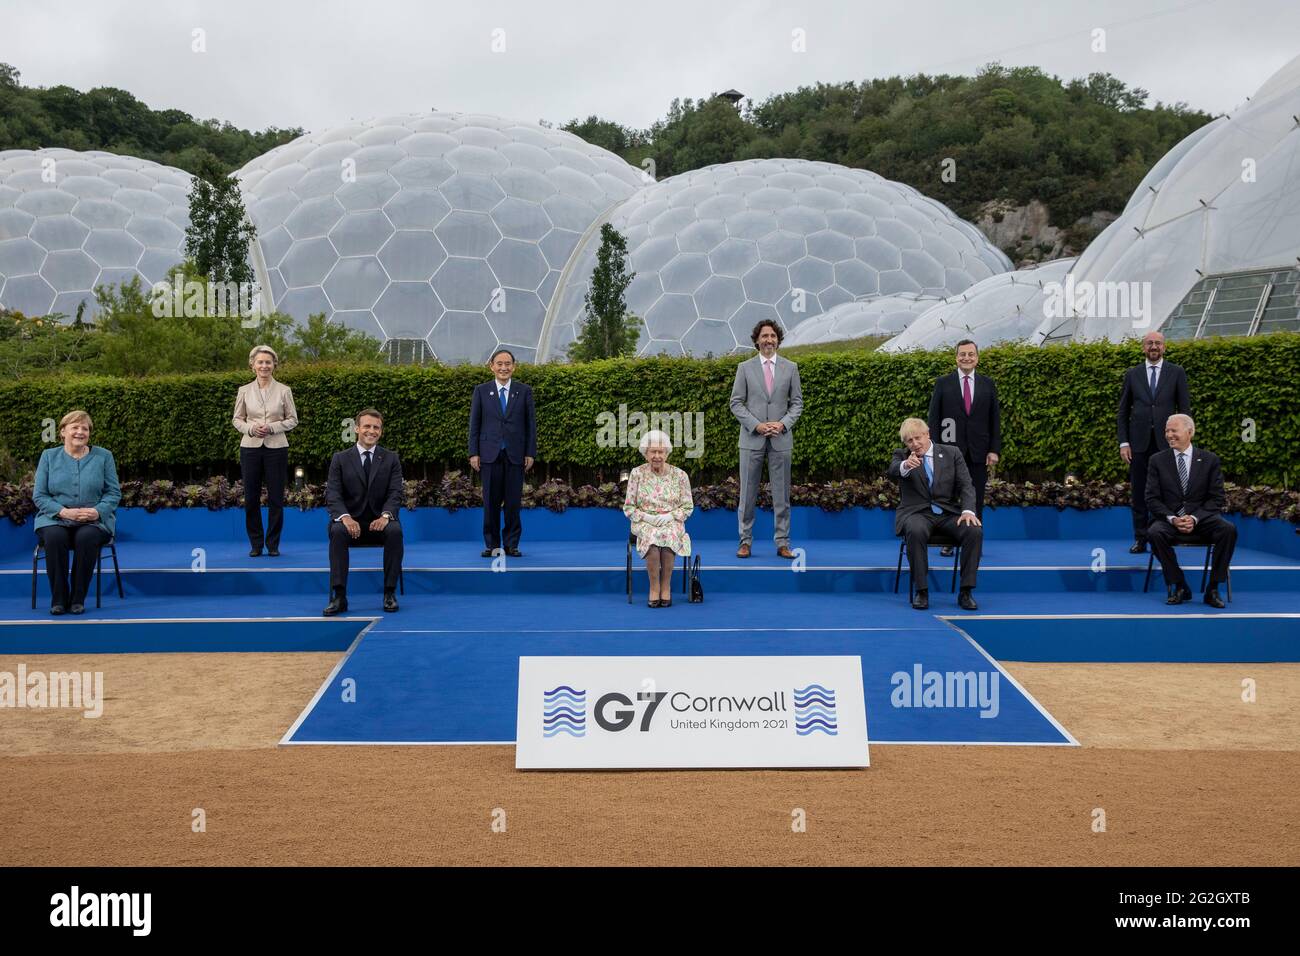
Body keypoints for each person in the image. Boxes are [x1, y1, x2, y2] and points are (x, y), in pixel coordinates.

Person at [888, 417, 983, 611]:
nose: (914, 444)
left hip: (948, 513)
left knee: (974, 531)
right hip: (917, 513)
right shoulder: (902, 455)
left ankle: (966, 592)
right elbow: (893, 470)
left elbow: (966, 484)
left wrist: (967, 511)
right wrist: (906, 465)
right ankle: (921, 591)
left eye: (917, 438)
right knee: (914, 530)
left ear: (927, 434)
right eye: (909, 440)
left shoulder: (952, 453)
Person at [32, 411, 122, 615]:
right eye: (75, 427)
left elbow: (113, 492)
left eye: (85, 428)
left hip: (94, 521)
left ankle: (78, 598)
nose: (80, 432)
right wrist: (64, 512)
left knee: (87, 536)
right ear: (63, 432)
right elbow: (40, 496)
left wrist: (97, 512)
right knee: (54, 537)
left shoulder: (104, 456)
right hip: (55, 519)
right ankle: (59, 598)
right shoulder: (48, 456)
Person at [1145, 414, 1236, 608]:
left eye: (1174, 430)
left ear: (1189, 432)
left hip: (1202, 519)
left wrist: (1194, 518)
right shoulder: (1157, 460)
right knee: (1154, 532)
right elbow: (1152, 499)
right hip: (1169, 520)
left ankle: (1212, 589)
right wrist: (1172, 519)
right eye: (1167, 431)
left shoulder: (1210, 460)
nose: (1169, 435)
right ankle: (1179, 585)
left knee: (1228, 530)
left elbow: (1217, 498)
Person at [729, 319, 803, 559]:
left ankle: (782, 543)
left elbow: (797, 404)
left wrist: (782, 424)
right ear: (757, 340)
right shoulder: (744, 368)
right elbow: (736, 403)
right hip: (751, 440)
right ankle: (745, 542)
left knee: (781, 495)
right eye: (764, 336)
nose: (768, 340)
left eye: (772, 336)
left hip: (781, 440)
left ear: (778, 340)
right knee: (747, 494)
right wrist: (757, 425)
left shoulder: (791, 368)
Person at [323, 408, 404, 615]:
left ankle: (389, 593)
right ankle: (339, 596)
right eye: (367, 426)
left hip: (379, 520)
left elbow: (396, 493)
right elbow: (333, 494)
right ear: (357, 428)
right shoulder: (340, 458)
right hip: (350, 522)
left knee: (395, 531)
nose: (371, 431)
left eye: (376, 427)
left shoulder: (391, 458)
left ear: (381, 432)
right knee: (338, 531)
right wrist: (346, 517)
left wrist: (386, 516)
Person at [1118, 331, 1190, 554]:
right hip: (1138, 445)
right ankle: (1141, 539)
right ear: (1143, 348)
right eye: (1149, 343)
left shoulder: (1176, 372)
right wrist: (1124, 443)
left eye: (1158, 343)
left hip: (1167, 443)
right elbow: (1123, 412)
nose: (1154, 346)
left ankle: (1163, 536)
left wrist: (1183, 441)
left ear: (1164, 348)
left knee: (1168, 492)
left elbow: (1185, 411)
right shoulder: (1133, 374)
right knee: (1139, 492)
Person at [927, 339, 1000, 555]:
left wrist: (994, 449)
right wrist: (935, 449)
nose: (966, 358)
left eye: (971, 354)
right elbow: (934, 418)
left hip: (979, 452)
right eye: (962, 354)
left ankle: (973, 542)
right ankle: (949, 542)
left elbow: (994, 419)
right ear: (956, 357)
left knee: (976, 497)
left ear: (977, 358)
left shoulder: (988, 384)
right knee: (949, 498)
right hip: (948, 452)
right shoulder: (943, 383)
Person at [469, 349, 536, 558]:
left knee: (513, 503)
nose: (503, 368)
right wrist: (474, 453)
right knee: (490, 503)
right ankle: (492, 545)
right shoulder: (481, 391)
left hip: (515, 455)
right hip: (489, 455)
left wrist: (530, 453)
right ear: (492, 366)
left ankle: (511, 544)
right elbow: (475, 424)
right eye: (499, 364)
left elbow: (530, 425)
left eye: (507, 364)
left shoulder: (524, 391)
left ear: (514, 366)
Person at [232, 345, 298, 557]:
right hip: (250, 448)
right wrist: (251, 429)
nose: (264, 365)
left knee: (276, 498)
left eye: (268, 362)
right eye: (260, 362)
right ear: (253, 365)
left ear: (274, 365)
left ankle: (273, 544)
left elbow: (292, 420)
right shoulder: (244, 390)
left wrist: (272, 427)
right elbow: (237, 419)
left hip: (276, 448)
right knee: (251, 498)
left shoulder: (284, 390)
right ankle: (256, 544)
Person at [623, 430, 694, 608]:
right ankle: (654, 587)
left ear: (667, 453)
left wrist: (671, 516)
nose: (656, 456)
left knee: (668, 536)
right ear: (645, 453)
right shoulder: (637, 474)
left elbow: (688, 507)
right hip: (644, 521)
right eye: (652, 452)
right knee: (653, 540)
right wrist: (646, 517)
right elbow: (629, 507)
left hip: (671, 520)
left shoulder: (680, 475)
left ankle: (666, 586)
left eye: (660, 452)